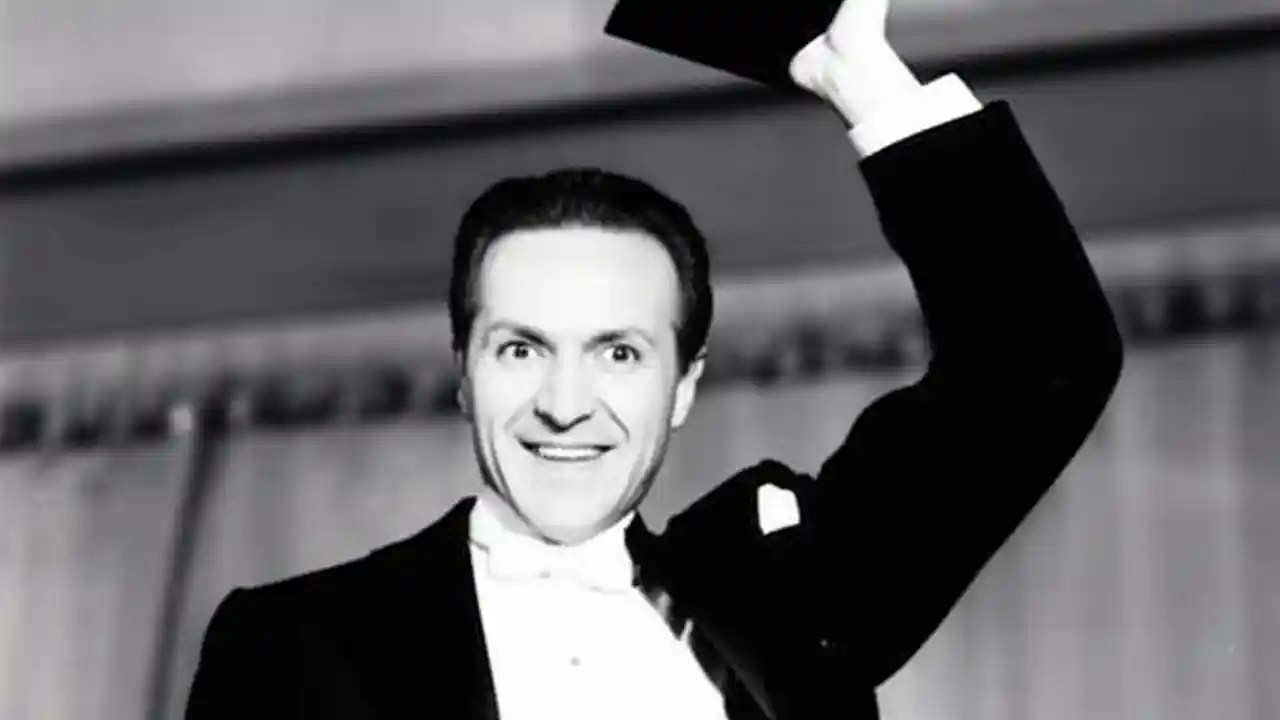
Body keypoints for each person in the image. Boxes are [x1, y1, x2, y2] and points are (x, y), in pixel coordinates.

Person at [185, 0, 1124, 717]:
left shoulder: (789, 590)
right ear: (462, 370)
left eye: (619, 353)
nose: (565, 401)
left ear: (685, 385)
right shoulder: (292, 643)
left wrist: (861, 79)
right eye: (521, 348)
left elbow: (1041, 359)